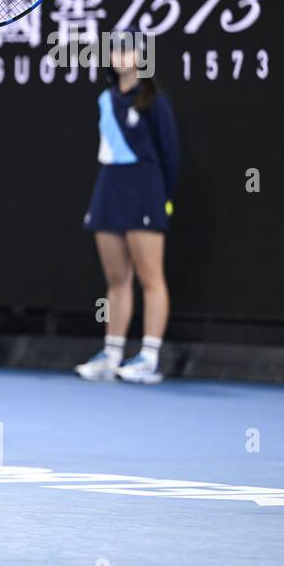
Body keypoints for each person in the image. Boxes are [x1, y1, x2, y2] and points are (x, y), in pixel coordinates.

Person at [76, 32, 178, 385]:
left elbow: (170, 156)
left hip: (145, 189)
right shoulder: (105, 99)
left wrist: (162, 197)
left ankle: (149, 357)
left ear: (141, 57)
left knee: (151, 278)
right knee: (117, 279)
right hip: (109, 188)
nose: (120, 55)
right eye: (115, 49)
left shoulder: (154, 101)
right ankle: (113, 352)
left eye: (128, 49)